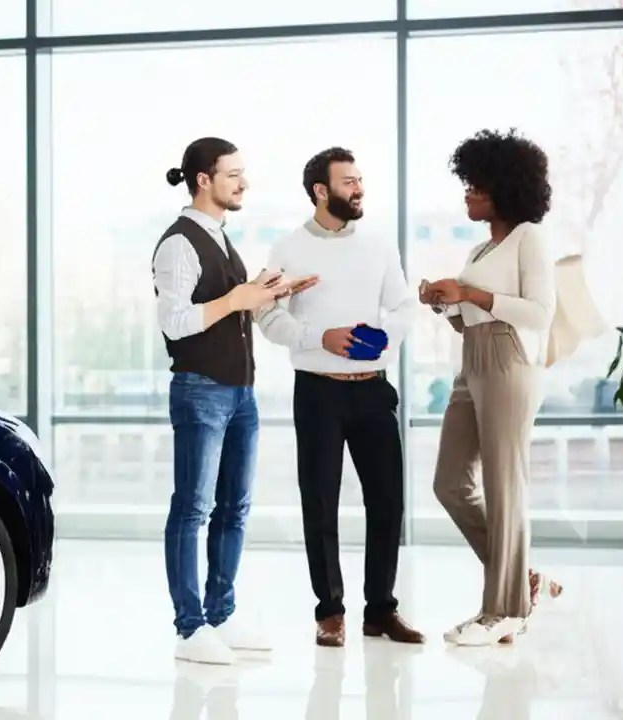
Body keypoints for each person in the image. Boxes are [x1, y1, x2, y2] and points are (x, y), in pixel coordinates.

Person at [153, 137, 316, 664]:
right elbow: (175, 323)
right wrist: (239, 298)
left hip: (240, 393)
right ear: (204, 179)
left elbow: (227, 307)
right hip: (201, 389)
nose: (243, 183)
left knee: (235, 509)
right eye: (233, 175)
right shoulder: (178, 243)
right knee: (192, 508)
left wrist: (266, 291)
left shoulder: (222, 239)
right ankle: (189, 625)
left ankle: (221, 612)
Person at [255, 147, 424, 648]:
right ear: (321, 191)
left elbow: (404, 306)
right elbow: (267, 317)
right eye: (348, 182)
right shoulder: (287, 249)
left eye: (360, 179)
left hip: (372, 390)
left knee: (388, 502)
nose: (359, 189)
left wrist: (379, 336)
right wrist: (319, 337)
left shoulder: (378, 246)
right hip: (317, 394)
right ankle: (330, 613)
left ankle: (381, 611)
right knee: (320, 503)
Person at [420, 128, 563, 647]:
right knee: (450, 482)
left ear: (504, 187)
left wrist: (470, 292)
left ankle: (502, 611)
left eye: (476, 186)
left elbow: (540, 312)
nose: (467, 193)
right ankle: (522, 585)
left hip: (508, 357)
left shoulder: (529, 239)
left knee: (504, 486)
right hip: (472, 358)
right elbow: (468, 315)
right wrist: (444, 301)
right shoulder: (482, 247)